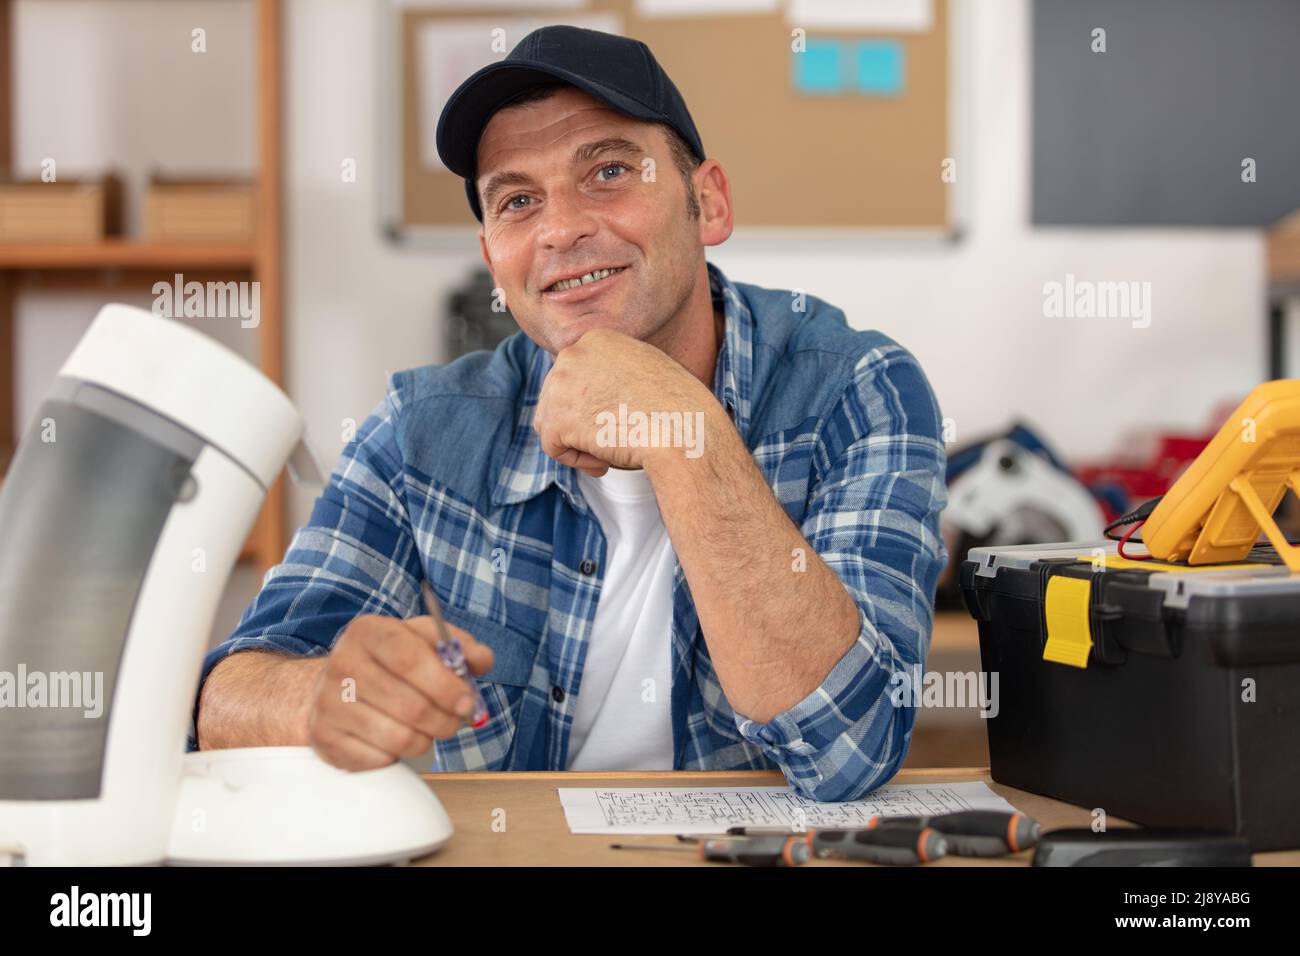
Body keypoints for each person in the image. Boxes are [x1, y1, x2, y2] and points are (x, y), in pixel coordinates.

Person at [192, 25, 948, 802]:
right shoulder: (422, 428)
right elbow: (221, 706)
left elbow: (849, 749)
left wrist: (681, 432)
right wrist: (321, 698)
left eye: (610, 171)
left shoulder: (858, 389)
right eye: (518, 201)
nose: (559, 230)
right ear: (493, 256)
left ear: (708, 202)